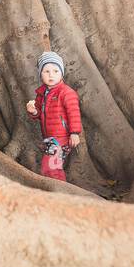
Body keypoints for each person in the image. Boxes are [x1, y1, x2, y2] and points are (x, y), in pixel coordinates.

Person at [26, 51, 82, 182]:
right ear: (40, 74)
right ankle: (56, 190)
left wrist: (74, 133)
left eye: (56, 71)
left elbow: (74, 113)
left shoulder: (66, 93)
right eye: (46, 71)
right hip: (50, 138)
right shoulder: (42, 93)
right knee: (50, 167)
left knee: (51, 168)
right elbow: (40, 113)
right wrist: (34, 111)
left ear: (62, 73)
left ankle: (60, 193)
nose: (51, 75)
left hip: (61, 137)